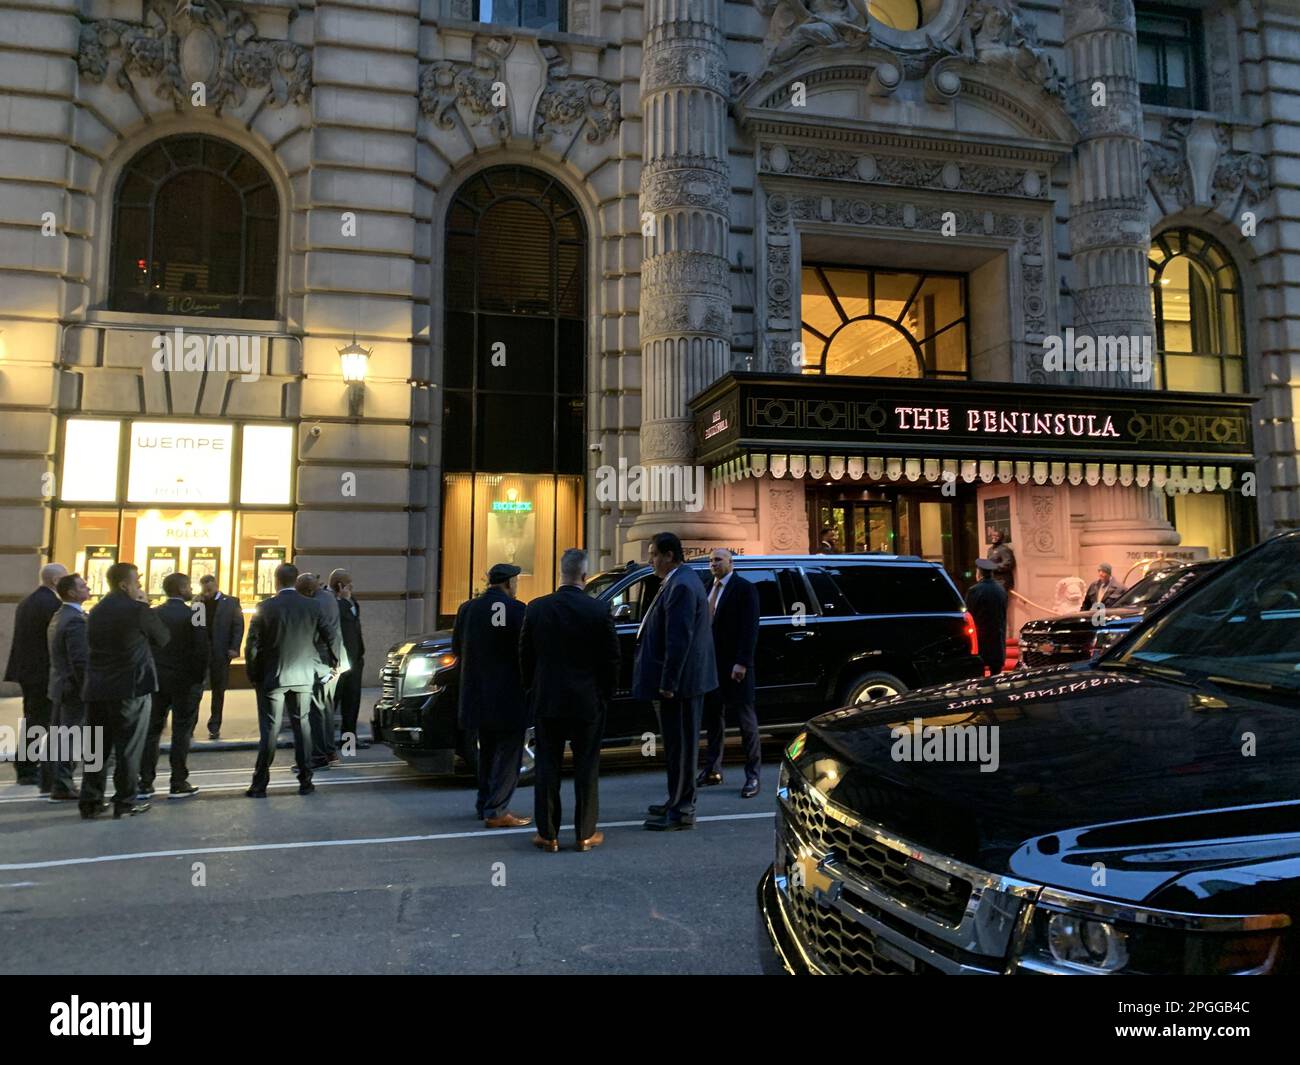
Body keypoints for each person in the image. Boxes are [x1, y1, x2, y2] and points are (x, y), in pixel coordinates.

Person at [520, 548, 620, 852]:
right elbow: (611, 659)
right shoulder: (598, 610)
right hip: (587, 701)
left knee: (547, 768)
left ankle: (548, 834)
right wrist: (605, 694)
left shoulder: (537, 608)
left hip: (548, 700)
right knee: (586, 768)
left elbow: (525, 655)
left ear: (560, 573)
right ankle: (585, 834)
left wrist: (532, 690)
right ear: (585, 576)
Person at [634, 532, 718, 831]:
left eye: (654, 554)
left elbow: (678, 639)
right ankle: (675, 800)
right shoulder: (679, 580)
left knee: (681, 748)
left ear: (669, 556)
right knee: (675, 746)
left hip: (681, 685)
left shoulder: (681, 584)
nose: (650, 560)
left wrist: (669, 682)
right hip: (682, 682)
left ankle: (682, 811)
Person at [78, 562, 170, 820]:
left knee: (96, 748)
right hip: (131, 688)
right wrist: (144, 605)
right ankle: (125, 802)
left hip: (97, 687)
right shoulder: (138, 610)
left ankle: (91, 801)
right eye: (137, 582)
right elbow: (163, 638)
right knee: (128, 748)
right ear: (124, 585)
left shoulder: (96, 610)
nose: (140, 585)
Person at [245, 563, 337, 798]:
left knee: (270, 729)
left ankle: (260, 784)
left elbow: (252, 645)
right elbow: (330, 636)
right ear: (296, 581)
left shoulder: (265, 607)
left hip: (273, 675)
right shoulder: (312, 606)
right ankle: (306, 781)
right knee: (302, 726)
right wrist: (333, 664)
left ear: (276, 581)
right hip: (303, 674)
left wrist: (254, 674)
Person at [451, 562, 531, 829]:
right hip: (508, 696)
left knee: (486, 751)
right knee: (509, 755)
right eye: (515, 582)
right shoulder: (518, 610)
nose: (516, 586)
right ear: (508, 583)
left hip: (476, 694)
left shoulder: (467, 609)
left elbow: (457, 648)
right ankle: (496, 810)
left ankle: (484, 803)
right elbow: (526, 650)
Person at [698, 548, 762, 798]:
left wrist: (742, 662)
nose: (713, 564)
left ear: (730, 563)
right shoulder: (707, 586)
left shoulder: (744, 588)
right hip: (711, 665)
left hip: (735, 666)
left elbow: (750, 628)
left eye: (718, 560)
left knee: (746, 721)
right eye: (710, 560)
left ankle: (753, 776)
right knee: (713, 719)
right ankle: (713, 769)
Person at [139, 573, 208, 800]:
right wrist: (199, 679)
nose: (191, 590)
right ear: (181, 588)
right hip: (185, 680)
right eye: (188, 586)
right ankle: (178, 781)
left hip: (157, 679)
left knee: (152, 731)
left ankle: (145, 781)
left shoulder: (153, 613)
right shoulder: (196, 613)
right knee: (182, 731)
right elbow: (201, 647)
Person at [4, 562, 67, 788]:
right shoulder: (52, 604)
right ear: (56, 581)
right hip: (42, 672)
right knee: (39, 720)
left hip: (27, 671)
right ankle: (28, 767)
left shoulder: (28, 601)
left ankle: (27, 764)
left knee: (33, 717)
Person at [45, 572, 90, 802]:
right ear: (72, 592)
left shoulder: (60, 615)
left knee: (61, 735)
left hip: (60, 684)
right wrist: (87, 688)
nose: (87, 587)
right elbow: (80, 660)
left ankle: (55, 781)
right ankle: (63, 784)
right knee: (71, 737)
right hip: (73, 688)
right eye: (82, 586)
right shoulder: (75, 620)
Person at [296, 572, 346, 769]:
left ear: (308, 591)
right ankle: (330, 752)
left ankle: (318, 756)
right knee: (326, 707)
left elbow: (318, 635)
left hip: (321, 661)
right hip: (333, 660)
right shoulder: (328, 597)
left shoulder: (315, 604)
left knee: (316, 709)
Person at [198, 574, 243, 741]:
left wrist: (234, 647)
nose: (207, 593)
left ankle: (215, 725)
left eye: (209, 590)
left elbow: (238, 626)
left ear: (216, 586)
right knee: (196, 689)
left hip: (221, 652)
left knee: (218, 690)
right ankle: (191, 724)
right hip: (202, 652)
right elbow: (195, 626)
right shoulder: (198, 602)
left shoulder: (231, 602)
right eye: (205, 590)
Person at [329, 569, 365, 750]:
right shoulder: (332, 603)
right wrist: (343, 600)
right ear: (340, 585)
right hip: (337, 663)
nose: (351, 588)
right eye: (348, 585)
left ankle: (349, 742)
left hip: (355, 661)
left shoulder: (352, 602)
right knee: (332, 703)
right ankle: (326, 743)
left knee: (351, 705)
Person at [965, 558, 1008, 676]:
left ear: (979, 573)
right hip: (997, 638)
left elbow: (969, 614)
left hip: (981, 638)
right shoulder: (1001, 589)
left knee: (979, 674)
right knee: (996, 674)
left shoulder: (974, 590)